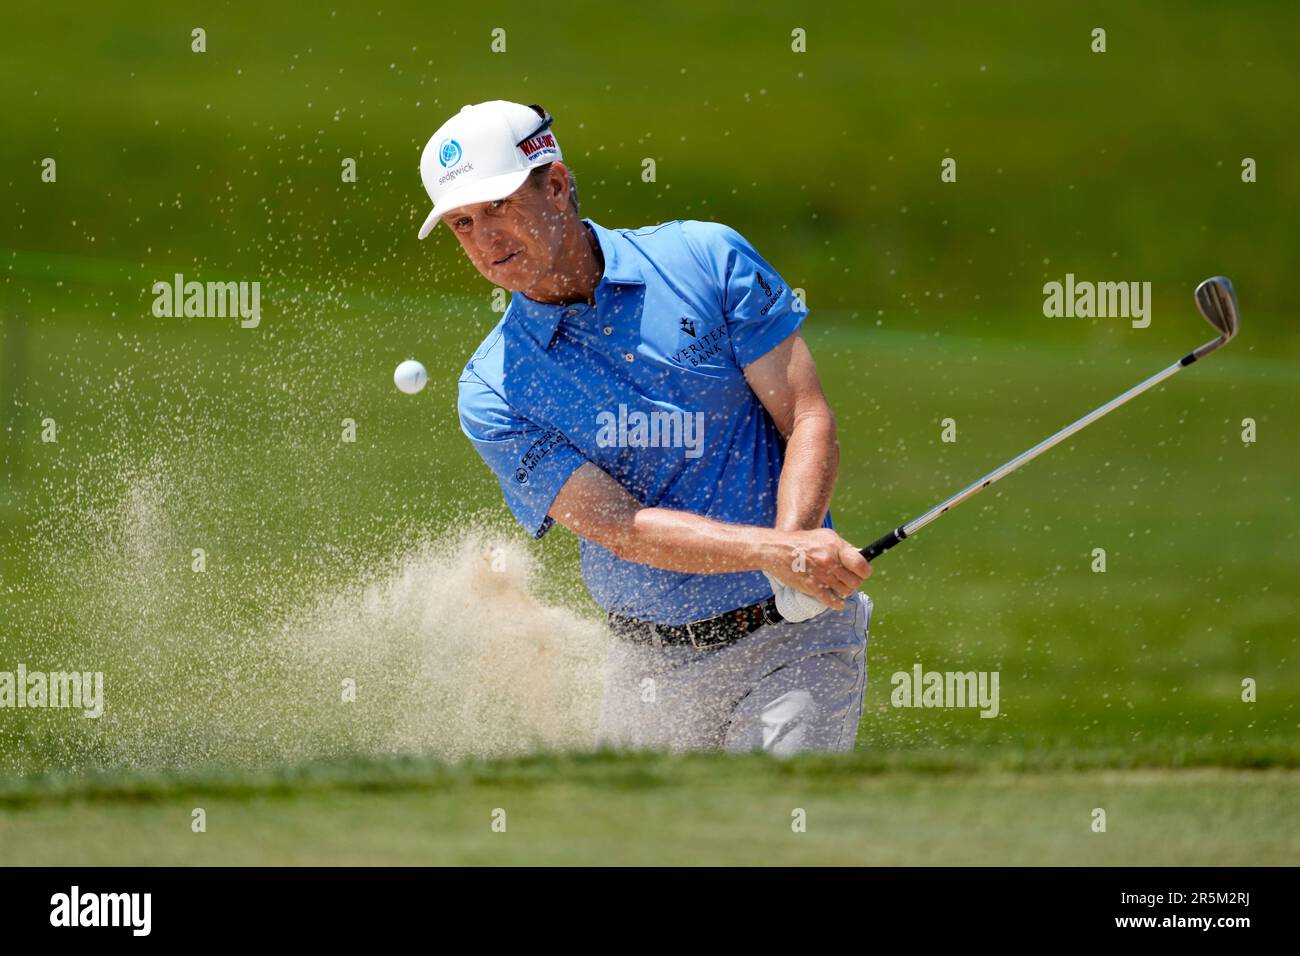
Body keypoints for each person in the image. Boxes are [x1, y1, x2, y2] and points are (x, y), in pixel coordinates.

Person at [416, 100, 873, 755]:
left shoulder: (705, 258)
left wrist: (796, 545)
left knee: (777, 828)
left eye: (499, 208)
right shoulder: (493, 391)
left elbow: (804, 415)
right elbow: (621, 529)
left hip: (793, 637)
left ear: (558, 185)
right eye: (463, 223)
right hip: (647, 666)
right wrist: (774, 553)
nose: (486, 240)